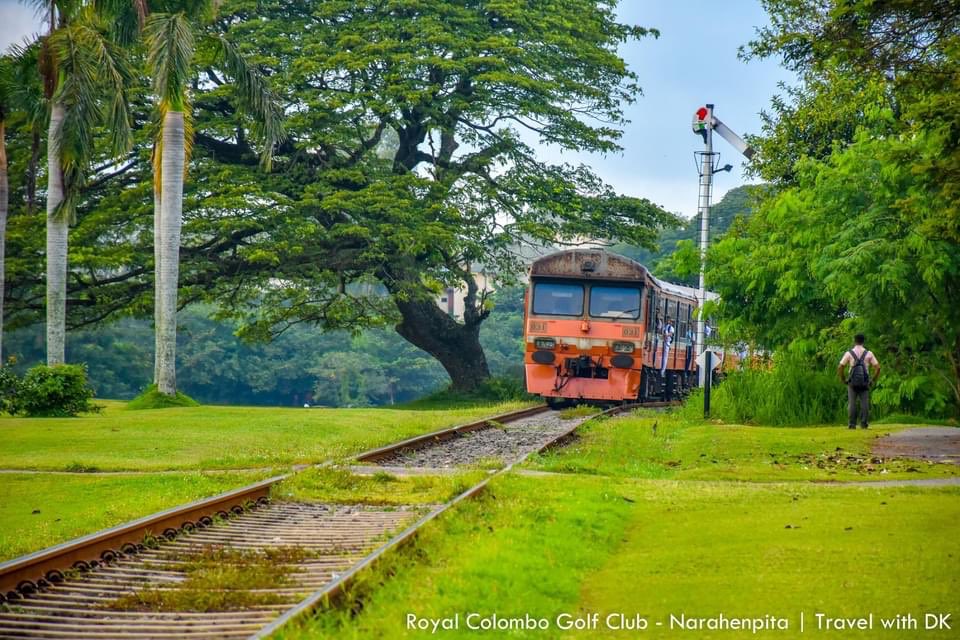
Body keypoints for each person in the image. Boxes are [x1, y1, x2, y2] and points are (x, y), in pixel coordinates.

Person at [837, 333, 881, 429]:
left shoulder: (849, 353)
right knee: (864, 403)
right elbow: (878, 368)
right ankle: (864, 423)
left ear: (854, 341)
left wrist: (843, 379)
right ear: (863, 341)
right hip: (865, 382)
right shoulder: (869, 353)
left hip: (852, 382)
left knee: (852, 403)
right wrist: (873, 379)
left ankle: (852, 424)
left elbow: (840, 367)